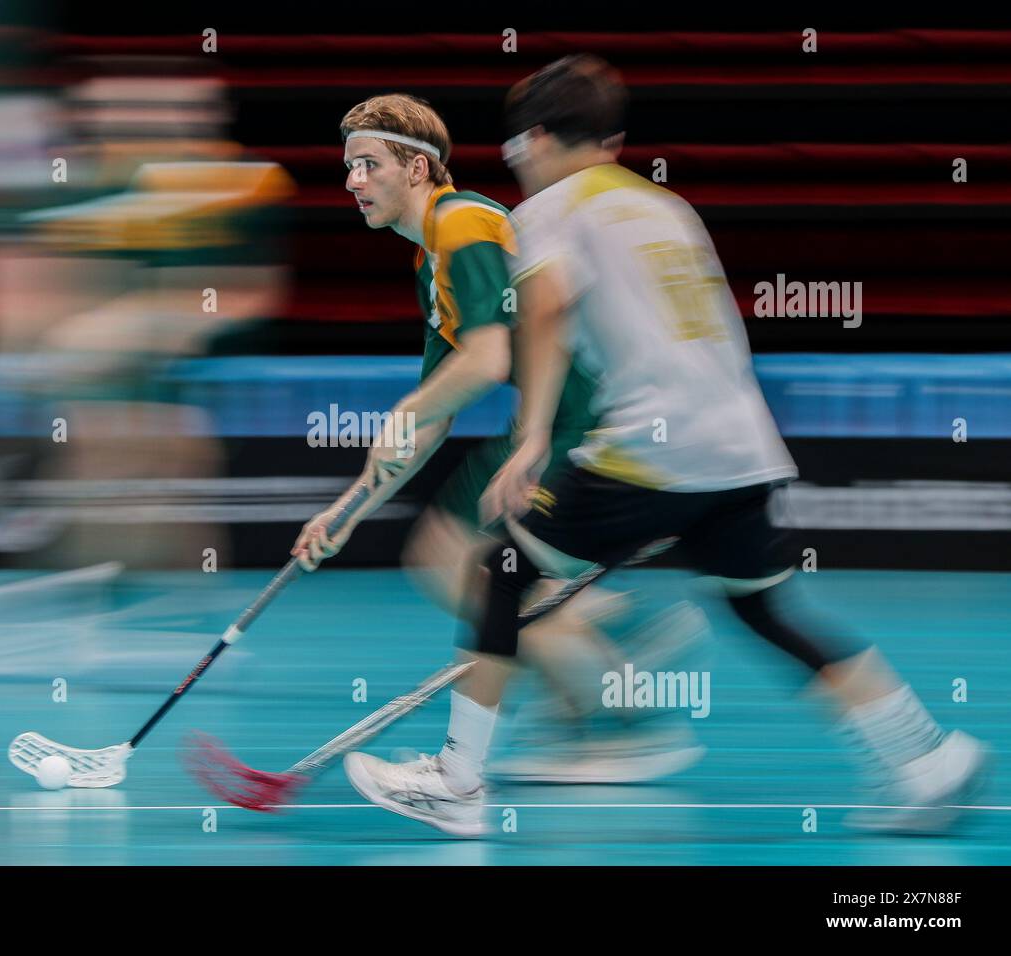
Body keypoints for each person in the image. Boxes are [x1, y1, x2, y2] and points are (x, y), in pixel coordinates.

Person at [343, 56, 989, 837]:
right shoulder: (666, 205)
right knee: (768, 608)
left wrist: (535, 439)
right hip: (740, 447)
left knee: (499, 576)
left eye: (520, 145)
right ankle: (926, 757)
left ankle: (456, 780)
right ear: (609, 136)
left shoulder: (555, 209)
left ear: (536, 138)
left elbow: (543, 316)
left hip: (652, 452)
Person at [292, 92, 706, 783]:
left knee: (475, 569)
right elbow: (431, 417)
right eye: (349, 167)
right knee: (465, 563)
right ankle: (610, 640)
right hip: (557, 422)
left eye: (367, 165)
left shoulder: (464, 226)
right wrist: (346, 512)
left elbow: (482, 362)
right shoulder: (433, 261)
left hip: (589, 421)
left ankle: (617, 713)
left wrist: (407, 412)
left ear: (419, 169)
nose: (351, 181)